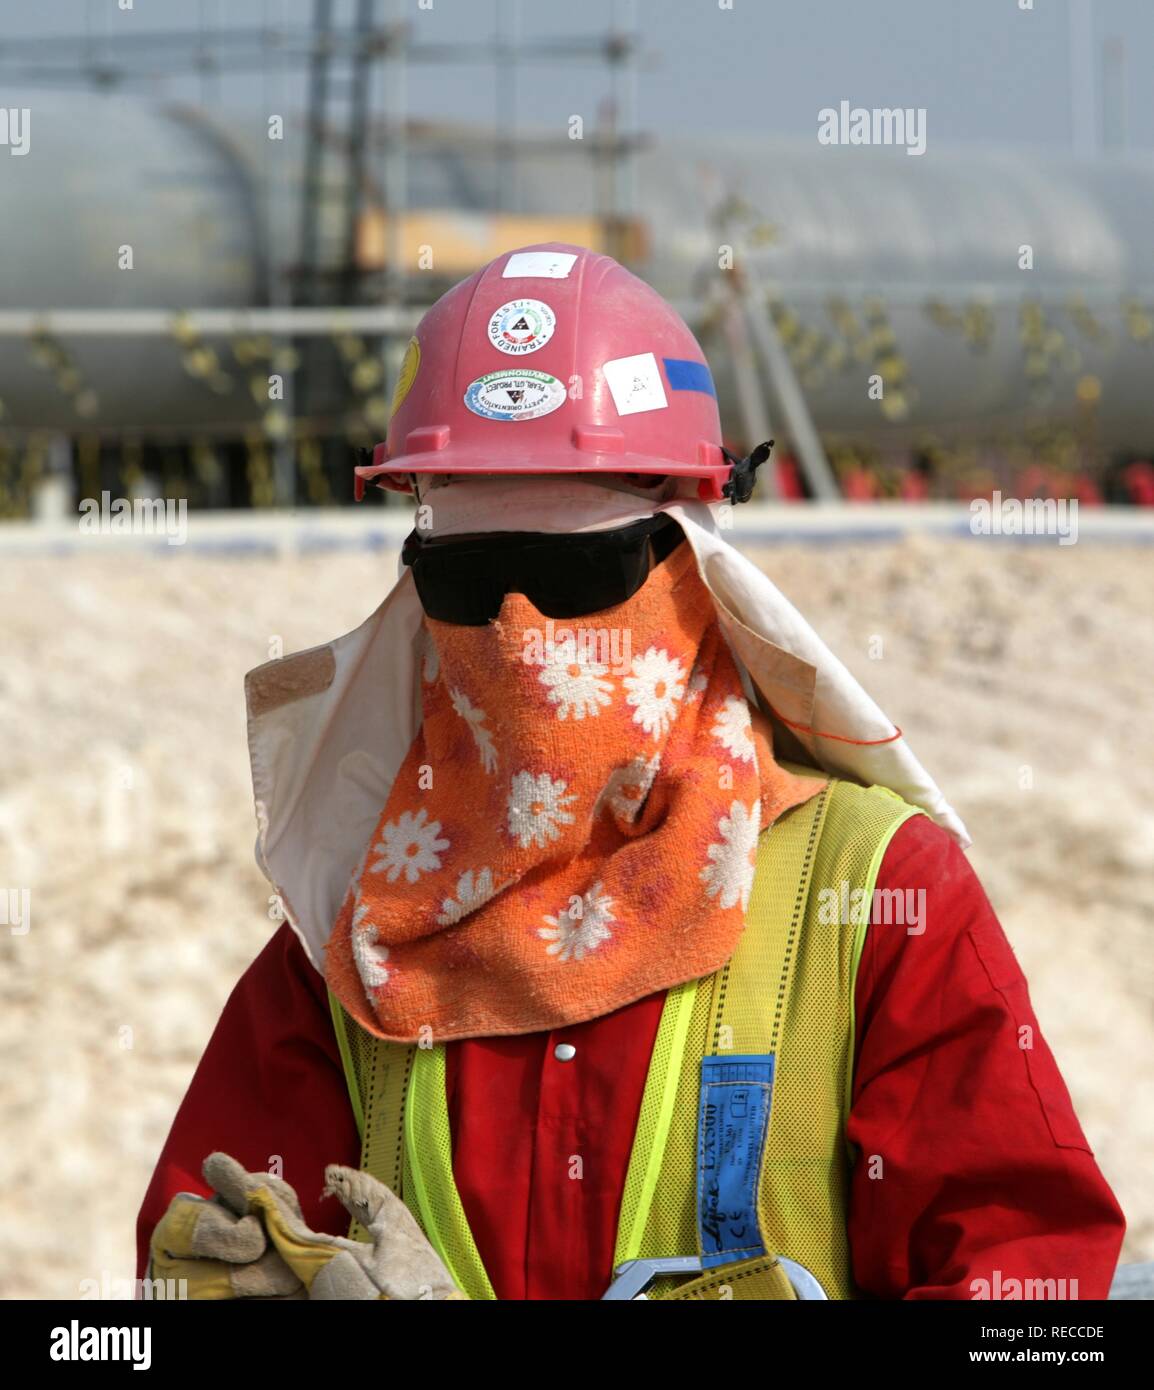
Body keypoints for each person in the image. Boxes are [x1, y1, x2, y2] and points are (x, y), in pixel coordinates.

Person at [138, 243, 1124, 1301]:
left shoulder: (878, 904)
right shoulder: (352, 949)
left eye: (574, 574)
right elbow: (190, 1257)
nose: (517, 636)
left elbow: (1031, 1287)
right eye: (469, 580)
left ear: (690, 565)